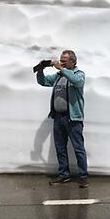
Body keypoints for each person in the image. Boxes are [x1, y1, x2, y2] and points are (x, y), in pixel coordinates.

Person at [35, 50, 89, 187]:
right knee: (60, 148)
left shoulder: (79, 74)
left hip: (73, 118)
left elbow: (77, 82)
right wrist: (40, 70)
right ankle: (64, 175)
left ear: (73, 61)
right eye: (61, 60)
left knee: (78, 148)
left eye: (64, 61)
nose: (61, 62)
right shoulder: (58, 76)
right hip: (58, 118)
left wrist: (61, 69)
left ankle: (83, 176)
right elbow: (44, 82)